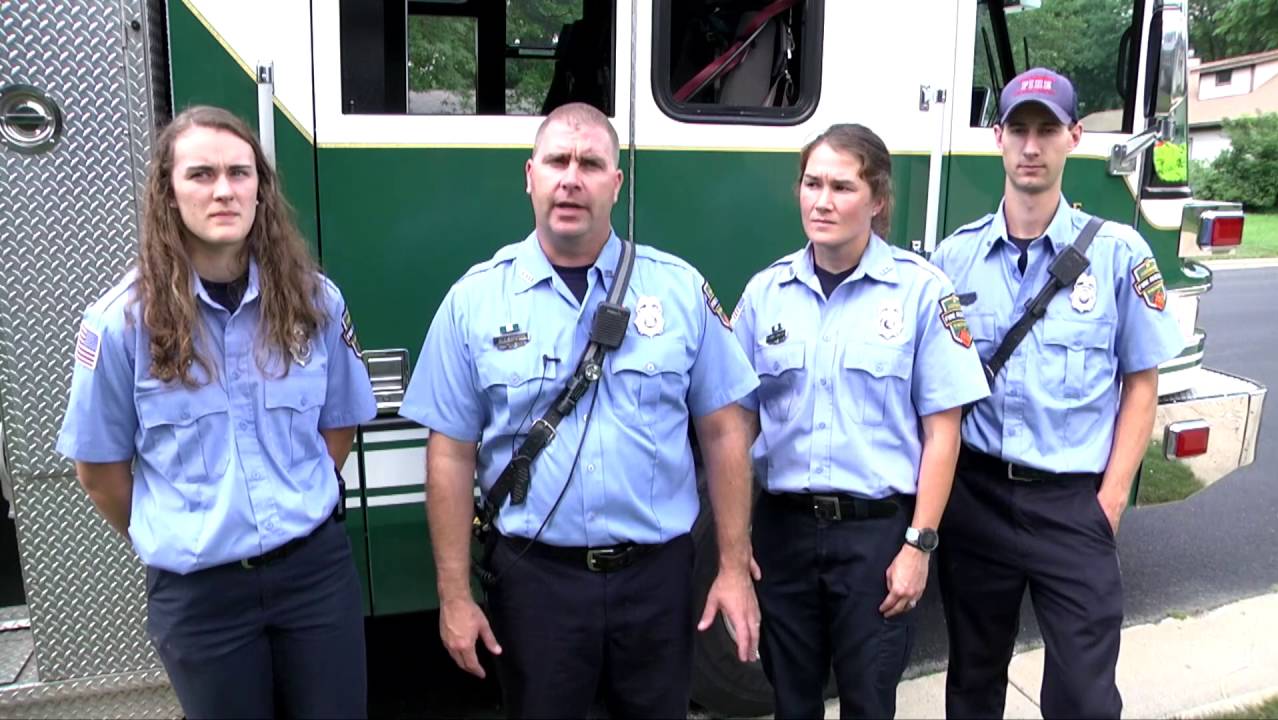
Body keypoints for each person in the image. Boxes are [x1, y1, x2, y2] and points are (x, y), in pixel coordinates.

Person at [399, 102, 761, 719]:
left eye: (591, 163)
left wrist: (733, 566)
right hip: (537, 585)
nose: (572, 177)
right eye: (557, 161)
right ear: (529, 176)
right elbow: (451, 455)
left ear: (616, 183)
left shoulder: (677, 289)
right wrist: (454, 594)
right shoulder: (474, 301)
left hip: (657, 581)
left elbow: (726, 431)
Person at [56, 105, 376, 719]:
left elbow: (339, 423)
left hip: (313, 576)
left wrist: (292, 494)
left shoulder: (314, 302)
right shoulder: (121, 324)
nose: (224, 189)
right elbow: (100, 472)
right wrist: (186, 529)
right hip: (201, 596)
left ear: (261, 187)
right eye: (201, 174)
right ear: (169, 194)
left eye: (240, 172)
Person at [930, 68, 1184, 719]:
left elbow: (1141, 382)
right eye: (1019, 129)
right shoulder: (952, 261)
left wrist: (1110, 498)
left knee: (1084, 697)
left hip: (1073, 504)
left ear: (1074, 136)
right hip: (977, 498)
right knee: (973, 682)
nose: (1032, 146)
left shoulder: (1119, 255)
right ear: (999, 138)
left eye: (1047, 129)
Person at [731, 123, 989, 718]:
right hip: (784, 534)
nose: (822, 201)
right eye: (811, 183)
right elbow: (737, 427)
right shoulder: (766, 293)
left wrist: (919, 545)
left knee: (869, 702)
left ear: (876, 201)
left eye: (842, 187)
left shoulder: (923, 293)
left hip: (875, 538)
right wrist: (737, 536)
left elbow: (942, 433)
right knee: (791, 702)